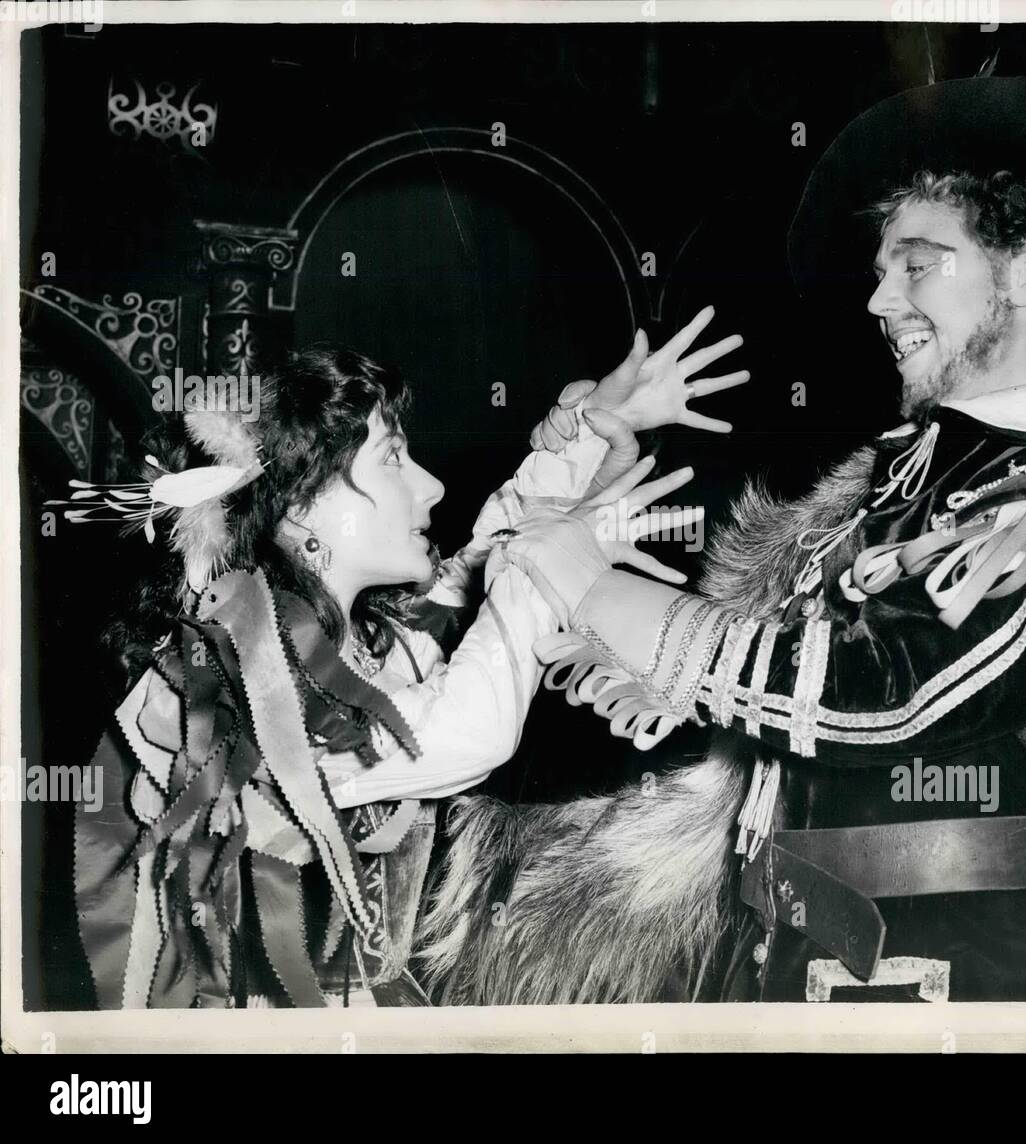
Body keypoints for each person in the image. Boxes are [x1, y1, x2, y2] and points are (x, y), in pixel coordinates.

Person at [416, 76, 1026, 1004]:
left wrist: (602, 588)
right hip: (805, 962)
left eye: (918, 263)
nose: (877, 300)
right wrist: (605, 543)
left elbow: (878, 701)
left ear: (1024, 270)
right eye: (880, 269)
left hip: (971, 987)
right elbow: (768, 695)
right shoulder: (895, 489)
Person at [55, 314, 746, 1008]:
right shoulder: (243, 676)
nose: (433, 487)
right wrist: (551, 555)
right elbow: (470, 724)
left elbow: (475, 579)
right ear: (300, 508)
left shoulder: (362, 642)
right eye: (392, 457)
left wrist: (590, 429)